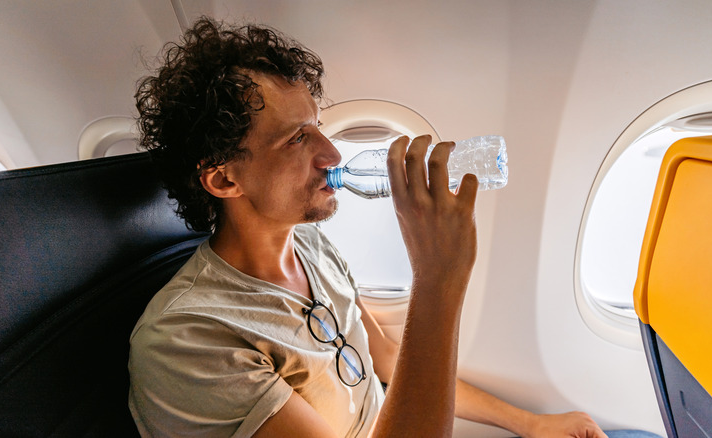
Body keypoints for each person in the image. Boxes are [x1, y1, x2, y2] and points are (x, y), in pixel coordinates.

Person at [128, 16, 608, 438]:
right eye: (296, 139)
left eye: (317, 127)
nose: (332, 153)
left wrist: (530, 423)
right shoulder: (187, 339)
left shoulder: (310, 244)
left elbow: (389, 359)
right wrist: (438, 279)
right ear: (224, 179)